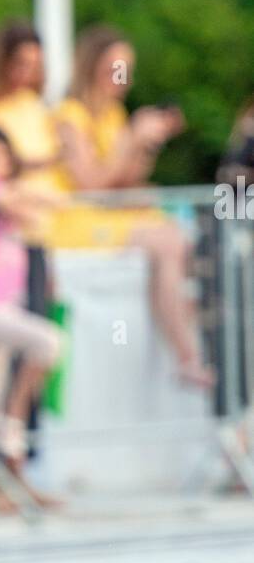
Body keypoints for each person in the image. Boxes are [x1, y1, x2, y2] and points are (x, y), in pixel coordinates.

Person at [53, 25, 213, 388]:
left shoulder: (113, 115)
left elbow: (123, 181)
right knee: (169, 243)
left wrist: (147, 145)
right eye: (115, 69)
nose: (122, 80)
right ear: (92, 67)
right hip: (78, 220)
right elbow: (90, 185)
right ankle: (187, 356)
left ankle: (195, 339)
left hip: (110, 214)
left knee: (185, 241)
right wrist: (131, 139)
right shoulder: (70, 115)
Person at [0, 126, 65, 510]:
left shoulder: (3, 189)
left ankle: (8, 472)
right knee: (47, 343)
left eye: (4, 157)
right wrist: (38, 200)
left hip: (4, 306)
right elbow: (20, 208)